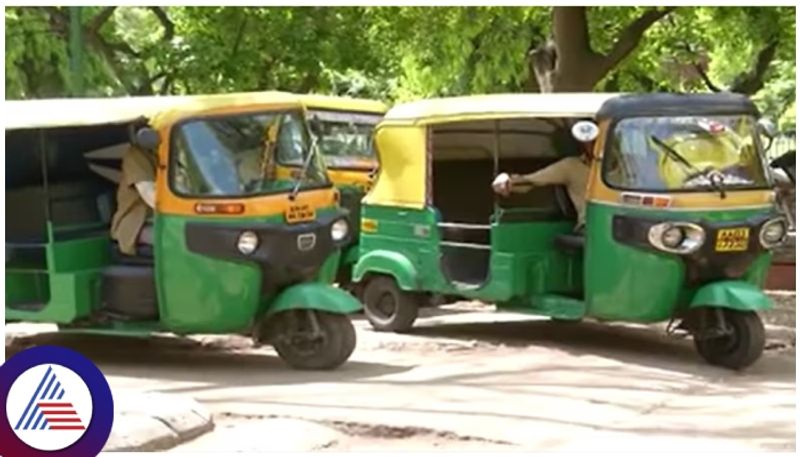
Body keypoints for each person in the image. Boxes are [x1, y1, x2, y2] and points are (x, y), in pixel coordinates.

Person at [492, 138, 592, 233]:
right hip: (589, 228)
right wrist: (506, 180)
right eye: (590, 141)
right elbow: (531, 180)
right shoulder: (571, 166)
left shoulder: (606, 170)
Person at [110, 130, 157, 256]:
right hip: (138, 224)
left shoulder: (179, 153)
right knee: (178, 241)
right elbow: (151, 196)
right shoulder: (136, 155)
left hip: (167, 221)